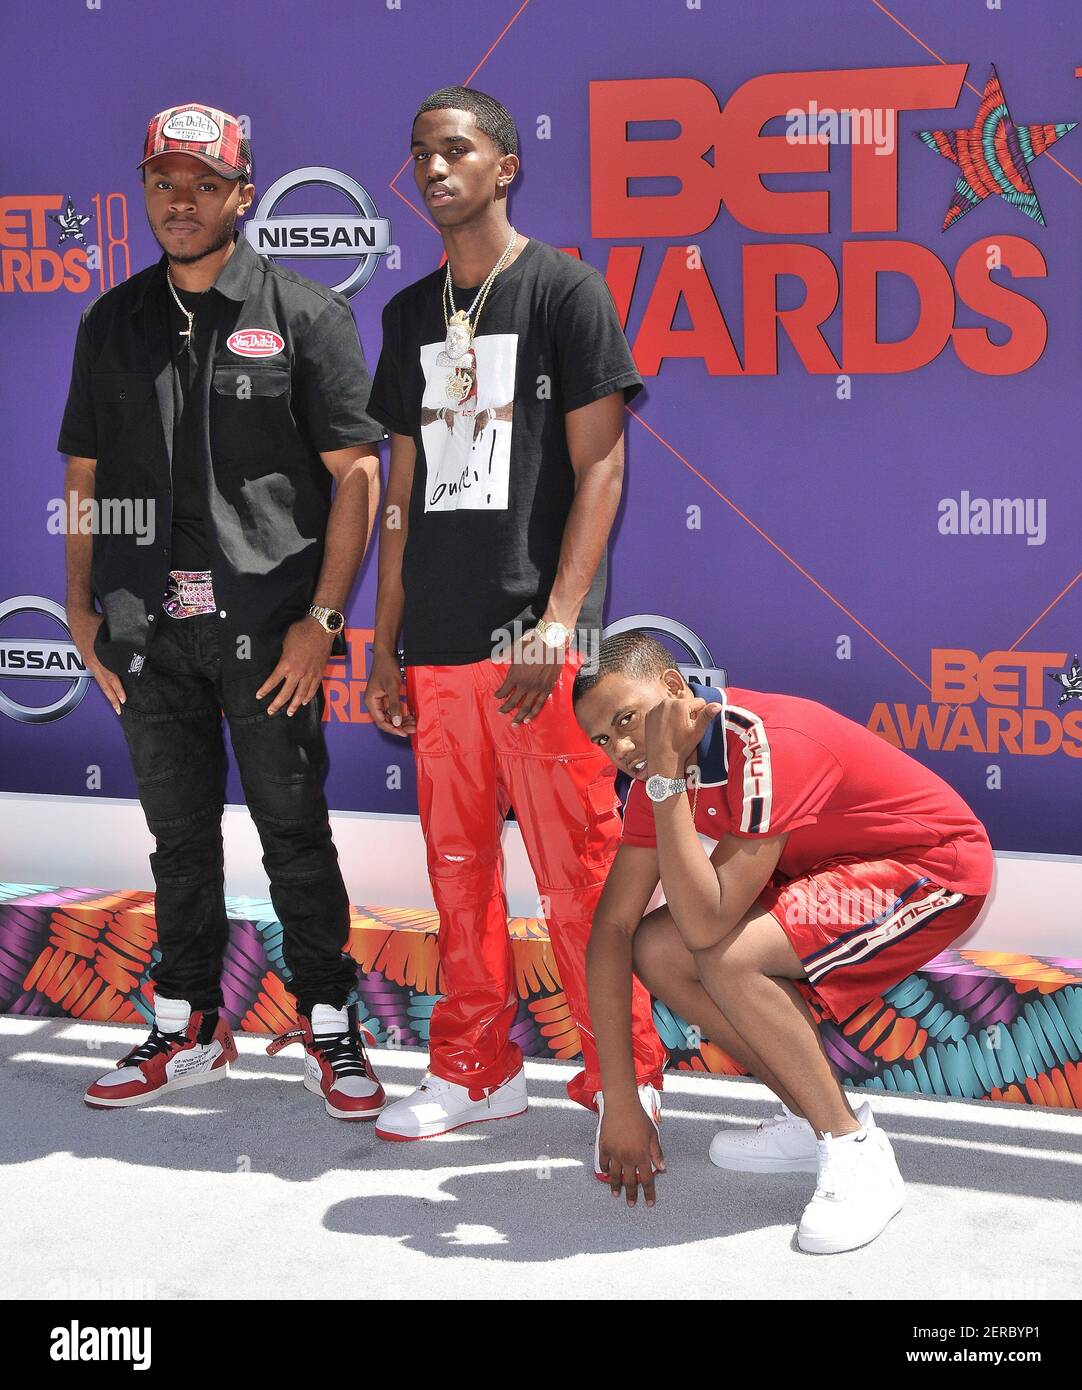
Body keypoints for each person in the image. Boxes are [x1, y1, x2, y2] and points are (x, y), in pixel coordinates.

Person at [59, 103, 387, 1119]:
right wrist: (78, 607)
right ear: (143, 189)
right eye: (165, 181)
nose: (182, 200)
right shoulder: (110, 320)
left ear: (244, 196)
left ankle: (330, 1024)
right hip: (145, 627)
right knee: (177, 836)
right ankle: (188, 1021)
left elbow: (358, 477)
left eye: (205, 183)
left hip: (271, 629)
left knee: (294, 828)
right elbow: (85, 472)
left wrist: (324, 620)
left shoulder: (305, 315)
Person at [363, 86, 666, 1141]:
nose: (434, 170)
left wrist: (558, 622)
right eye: (420, 153)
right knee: (457, 877)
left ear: (506, 165)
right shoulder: (406, 315)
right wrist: (384, 635)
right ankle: (475, 1067)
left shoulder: (564, 291)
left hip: (543, 653)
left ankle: (618, 1080)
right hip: (439, 651)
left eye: (456, 150)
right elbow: (399, 493)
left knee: (581, 876)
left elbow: (603, 467)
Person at [574, 631, 993, 1253]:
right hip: (831, 874)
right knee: (657, 950)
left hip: (932, 868)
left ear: (671, 687)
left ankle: (852, 1147)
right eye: (603, 739)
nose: (623, 748)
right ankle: (807, 1117)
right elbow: (612, 930)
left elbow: (708, 924)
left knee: (724, 953)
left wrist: (665, 783)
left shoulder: (760, 741)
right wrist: (622, 1098)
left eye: (628, 719)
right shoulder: (653, 776)